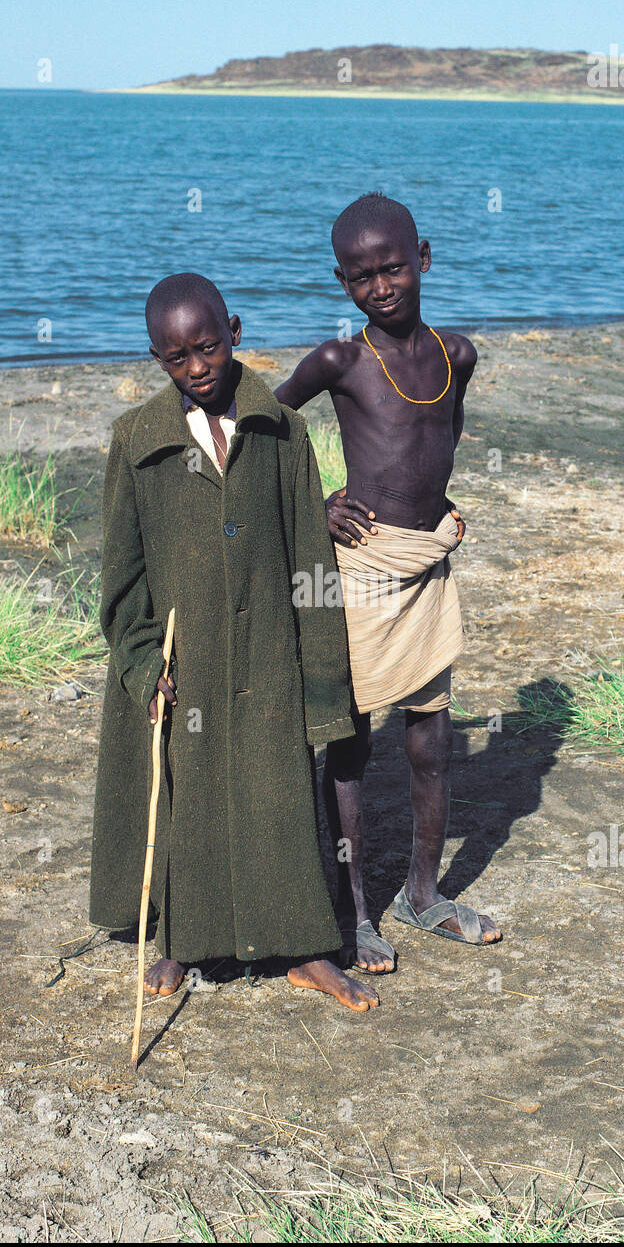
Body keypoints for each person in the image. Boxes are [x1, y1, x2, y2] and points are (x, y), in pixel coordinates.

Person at [90, 272, 379, 1011]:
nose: (196, 368)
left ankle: (307, 949)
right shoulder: (137, 441)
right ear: (156, 358)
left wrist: (322, 684)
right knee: (186, 798)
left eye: (209, 347)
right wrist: (141, 663)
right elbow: (121, 583)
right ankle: (183, 945)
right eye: (175, 357)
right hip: (184, 661)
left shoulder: (280, 429)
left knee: (278, 792)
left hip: (268, 655)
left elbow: (310, 559)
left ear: (236, 331)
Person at [275, 195, 502, 972]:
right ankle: (352, 909)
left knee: (433, 737)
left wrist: (432, 510)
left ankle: (421, 892)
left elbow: (445, 432)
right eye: (362, 276)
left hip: (427, 561)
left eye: (394, 267)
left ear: (424, 258)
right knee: (349, 741)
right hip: (365, 566)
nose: (381, 286)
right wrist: (317, 502)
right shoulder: (338, 362)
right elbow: (263, 429)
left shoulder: (457, 354)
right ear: (342, 281)